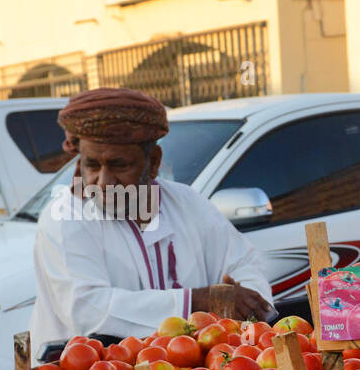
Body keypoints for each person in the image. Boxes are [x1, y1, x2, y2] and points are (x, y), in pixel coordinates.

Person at [30, 87, 274, 347]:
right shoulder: (64, 218)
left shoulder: (187, 203)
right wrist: (197, 302)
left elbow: (245, 263)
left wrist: (243, 300)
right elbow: (88, 309)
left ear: (154, 162)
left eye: (118, 165)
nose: (103, 181)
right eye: (92, 165)